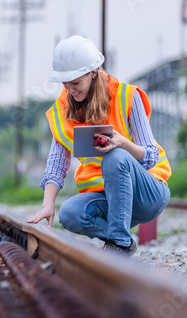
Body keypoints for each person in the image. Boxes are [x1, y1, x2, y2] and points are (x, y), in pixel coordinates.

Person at [28, 36, 171, 255]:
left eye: (75, 82)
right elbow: (57, 163)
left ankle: (118, 244)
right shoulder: (64, 108)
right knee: (69, 213)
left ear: (93, 72)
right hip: (109, 198)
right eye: (65, 84)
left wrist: (123, 144)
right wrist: (48, 205)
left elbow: (150, 156)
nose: (70, 90)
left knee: (116, 157)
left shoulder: (127, 96)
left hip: (148, 194)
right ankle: (122, 241)